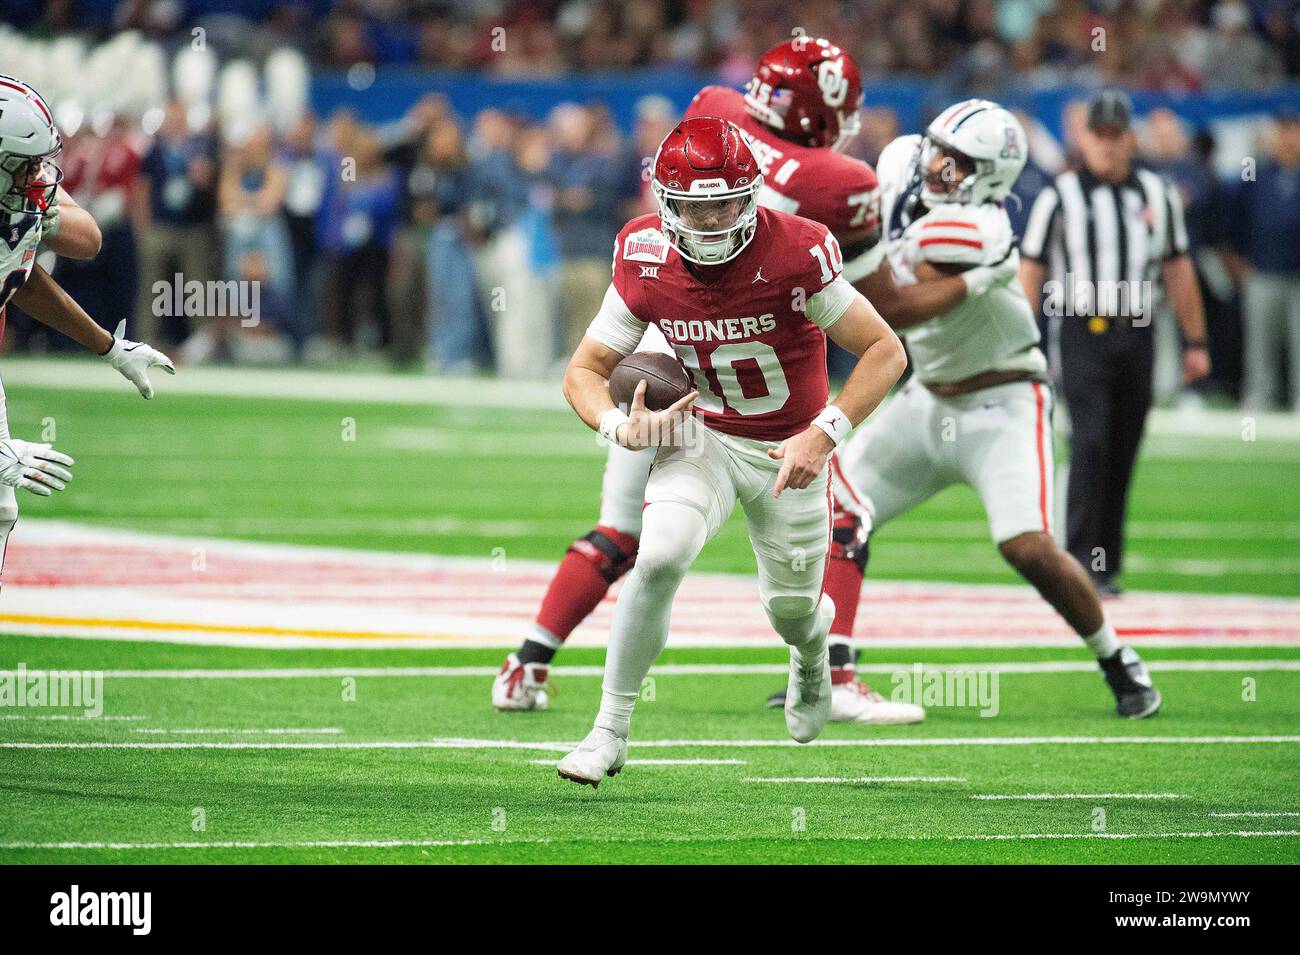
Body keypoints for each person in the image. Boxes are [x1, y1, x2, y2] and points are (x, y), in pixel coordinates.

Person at [494, 38, 1017, 723]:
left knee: (626, 532)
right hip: (737, 366)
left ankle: (528, 659)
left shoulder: (713, 108)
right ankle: (834, 672)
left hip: (665, 339)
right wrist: (976, 279)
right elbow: (887, 313)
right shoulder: (841, 182)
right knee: (838, 514)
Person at [554, 116, 906, 786]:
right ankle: (608, 730)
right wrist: (616, 427)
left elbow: (885, 349)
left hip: (789, 449)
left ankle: (810, 653)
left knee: (793, 611)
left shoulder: (797, 251)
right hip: (703, 432)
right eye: (696, 205)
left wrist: (825, 430)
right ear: (665, 204)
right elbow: (586, 367)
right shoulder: (643, 252)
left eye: (726, 202)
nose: (713, 219)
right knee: (656, 555)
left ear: (752, 195)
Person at [808, 99, 1163, 719]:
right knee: (832, 514)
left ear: (989, 177)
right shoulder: (899, 170)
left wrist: (966, 279)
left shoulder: (981, 227)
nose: (938, 164)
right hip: (927, 399)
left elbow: (894, 308)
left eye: (958, 161)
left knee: (1027, 546)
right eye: (939, 148)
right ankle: (825, 666)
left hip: (1002, 401)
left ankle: (1115, 656)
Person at [1019, 90, 1210, 596]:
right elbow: (1031, 269)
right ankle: (1078, 561)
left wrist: (1196, 340)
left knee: (1123, 446)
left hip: (1139, 333)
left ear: (1129, 139)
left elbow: (1178, 266)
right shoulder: (1059, 195)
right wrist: (1021, 340)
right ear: (1083, 139)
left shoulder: (1156, 193)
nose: (1106, 146)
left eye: (1115, 136)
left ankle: (1105, 566)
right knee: (1091, 440)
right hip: (1083, 333)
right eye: (1097, 136)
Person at [0, 75, 173, 585]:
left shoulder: (17, 198)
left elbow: (39, 269)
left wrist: (109, 347)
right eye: (23, 164)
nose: (36, 175)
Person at [1223, 109, 1300, 411]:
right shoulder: (1255, 173)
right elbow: (1237, 220)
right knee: (1259, 343)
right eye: (1282, 131)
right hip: (1262, 270)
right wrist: (1239, 263)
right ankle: (1259, 397)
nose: (1288, 138)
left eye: (1293, 131)